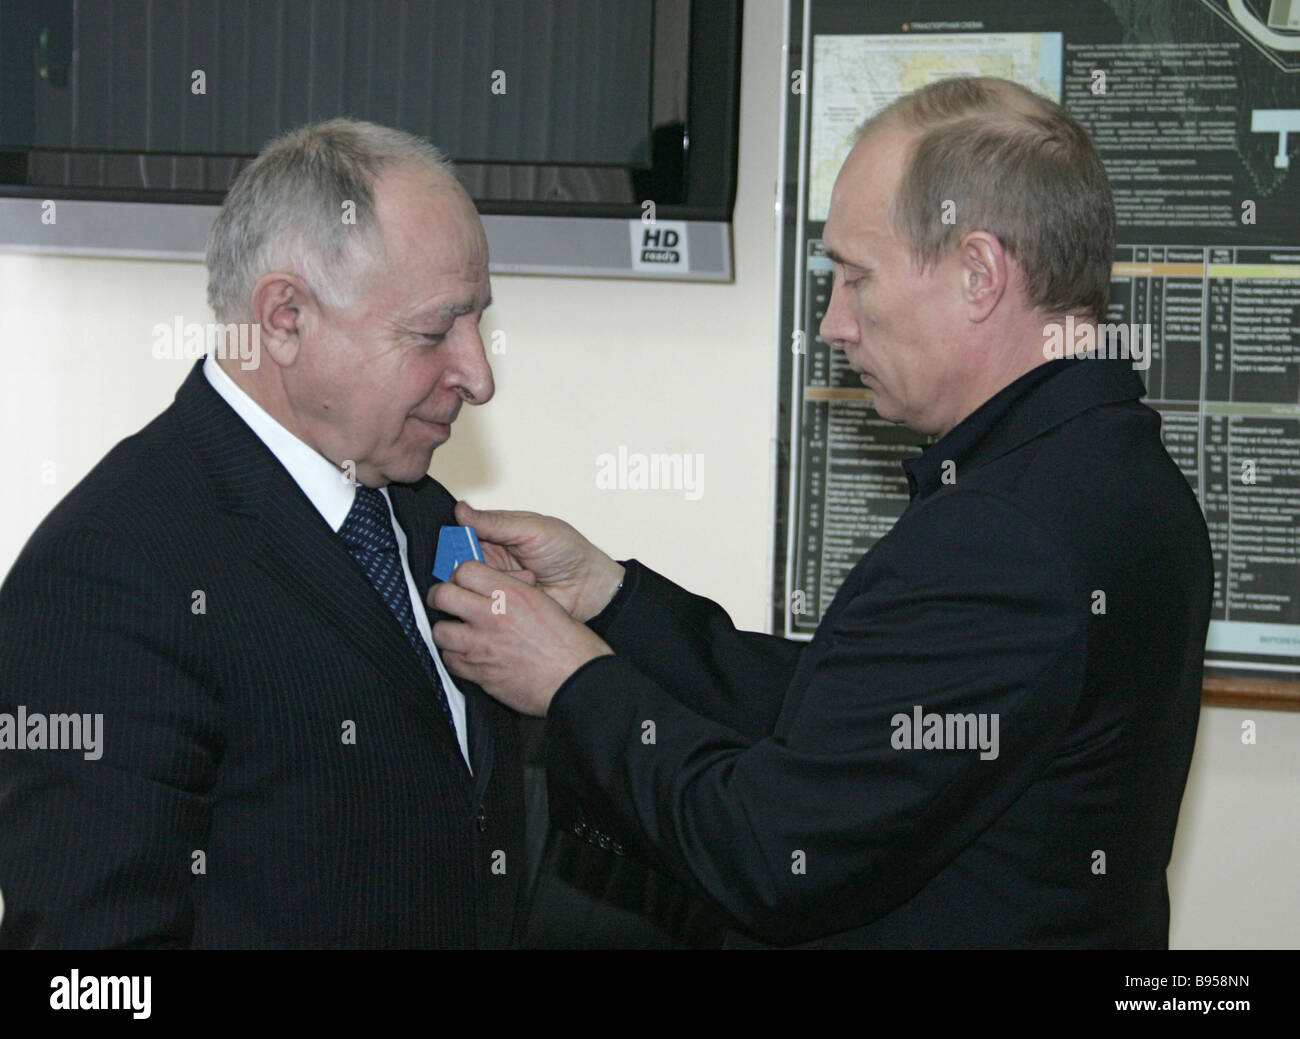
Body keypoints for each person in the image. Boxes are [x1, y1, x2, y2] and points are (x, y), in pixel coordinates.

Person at [428, 78, 1216, 948]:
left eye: (856, 276)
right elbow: (849, 720)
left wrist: (571, 682)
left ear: (979, 273)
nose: (835, 322)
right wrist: (611, 600)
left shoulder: (1007, 533)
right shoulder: (1111, 469)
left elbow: (776, 849)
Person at [0, 120, 525, 948]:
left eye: (479, 323)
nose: (479, 375)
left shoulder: (417, 509)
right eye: (433, 333)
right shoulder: (107, 574)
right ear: (283, 319)